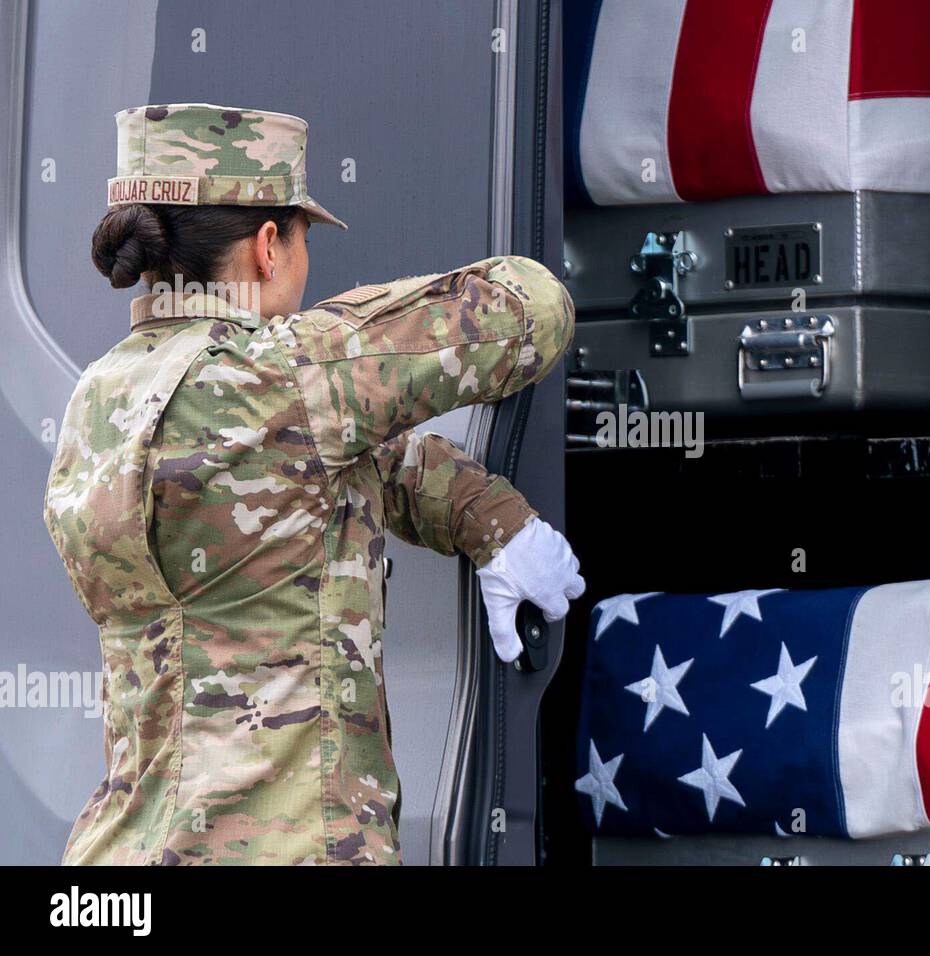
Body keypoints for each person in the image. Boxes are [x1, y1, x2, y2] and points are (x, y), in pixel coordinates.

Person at [43, 103, 584, 865]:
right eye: (300, 238)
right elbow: (532, 307)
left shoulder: (96, 397)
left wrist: (485, 516)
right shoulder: (290, 373)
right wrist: (343, 330)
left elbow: (320, 467)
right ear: (269, 246)